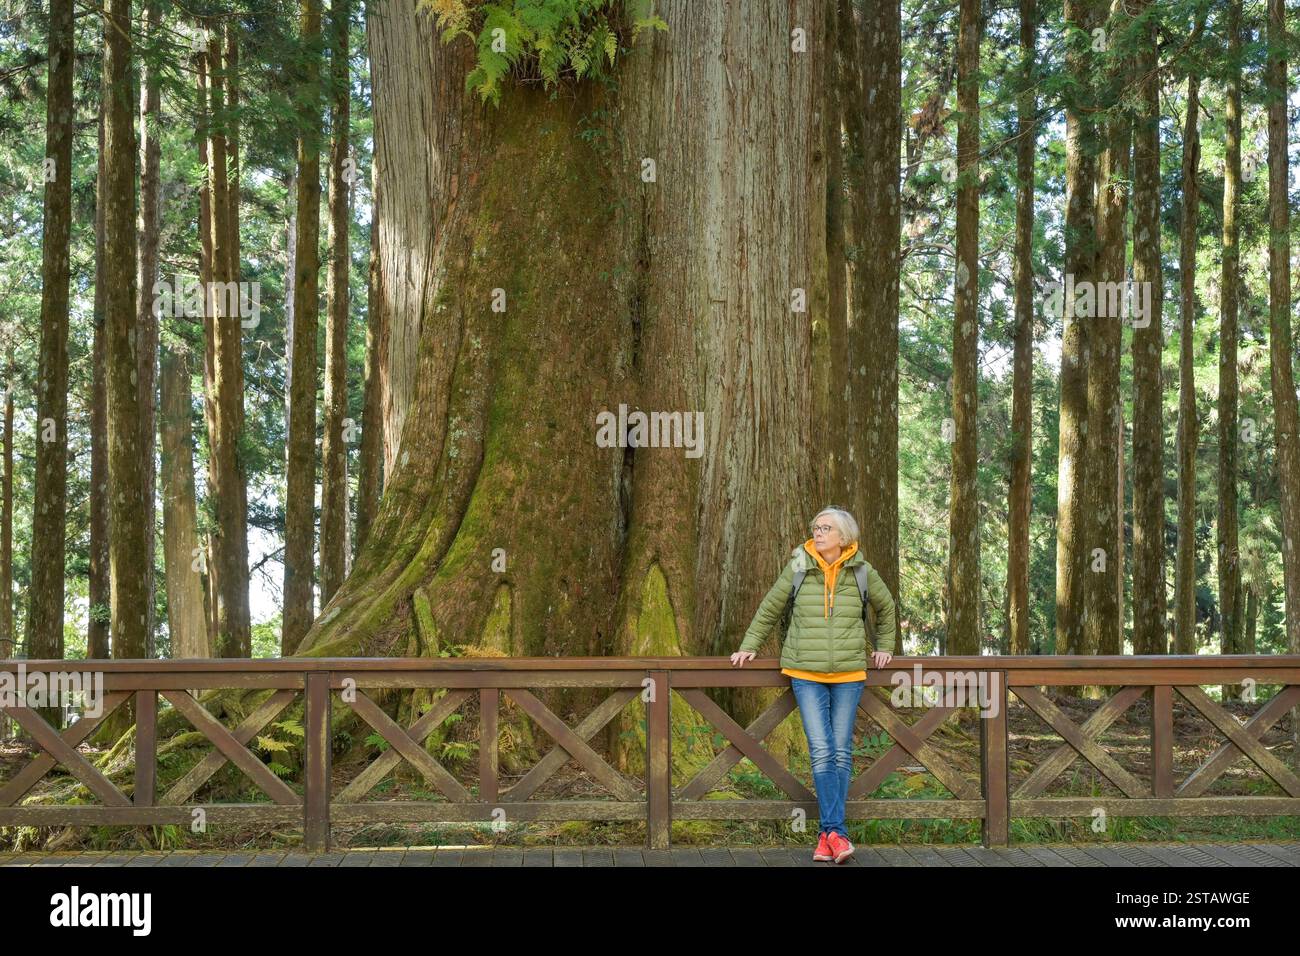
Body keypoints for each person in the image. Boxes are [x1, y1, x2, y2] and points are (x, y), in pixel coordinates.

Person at [731, 506, 896, 864]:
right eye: (815, 528)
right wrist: (749, 645)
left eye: (825, 528)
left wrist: (885, 646)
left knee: (840, 751)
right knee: (822, 750)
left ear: (844, 537)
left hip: (850, 674)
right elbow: (770, 607)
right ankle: (837, 832)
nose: (817, 533)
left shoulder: (863, 572)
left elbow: (886, 609)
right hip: (805, 672)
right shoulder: (798, 566)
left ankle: (827, 835)